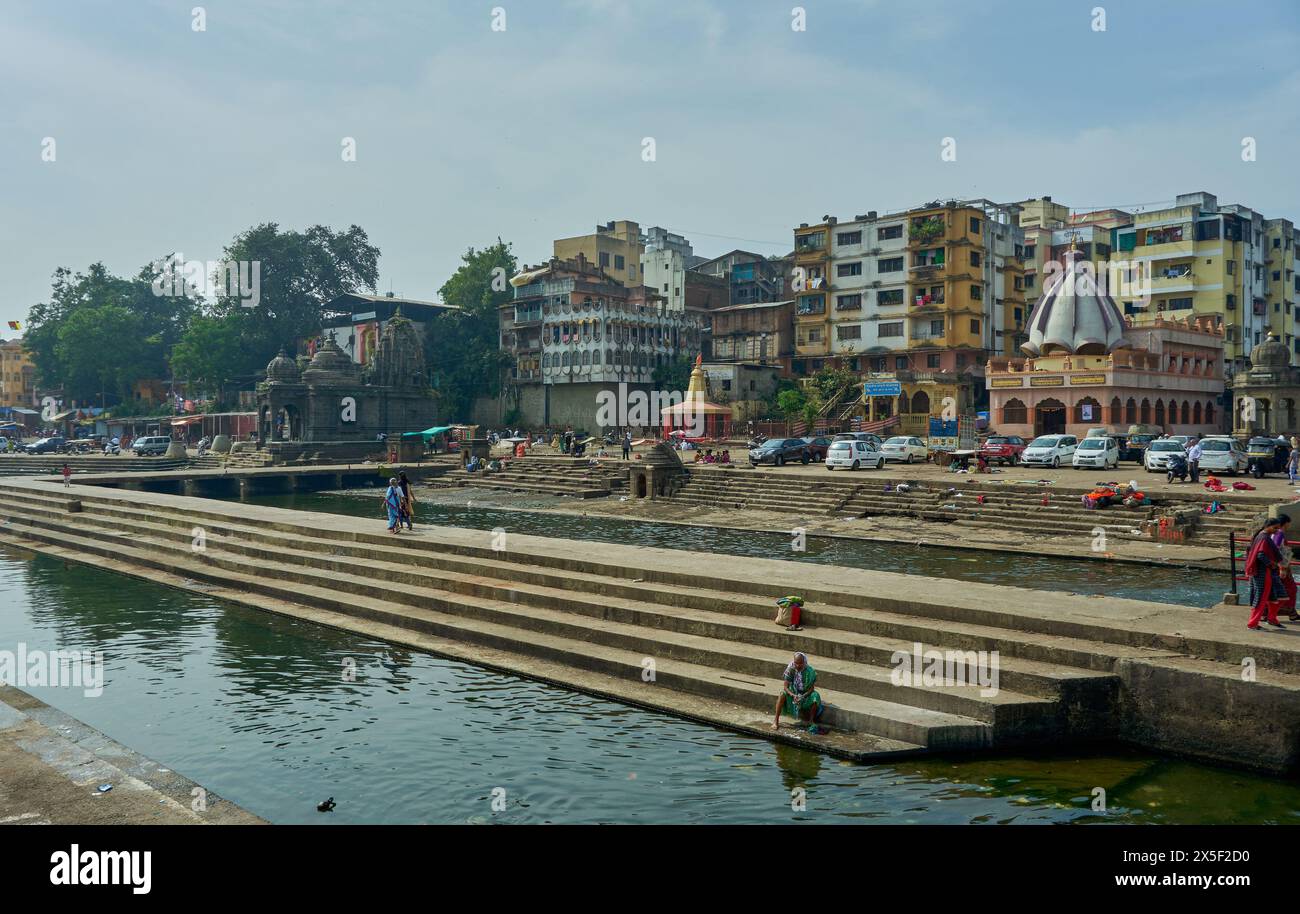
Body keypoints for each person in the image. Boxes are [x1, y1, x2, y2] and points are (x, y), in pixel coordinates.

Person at [1246, 517, 1287, 630]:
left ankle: (1271, 619)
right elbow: (1260, 555)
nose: (1276, 530)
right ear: (1268, 526)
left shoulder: (1262, 537)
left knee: (1280, 596)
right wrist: (1272, 564)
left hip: (1266, 572)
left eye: (1278, 528)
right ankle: (1252, 623)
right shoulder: (1264, 538)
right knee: (1260, 598)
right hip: (1263, 572)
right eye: (1275, 528)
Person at [772, 651, 825, 732]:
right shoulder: (790, 669)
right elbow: (785, 687)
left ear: (804, 662)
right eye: (796, 663)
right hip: (793, 692)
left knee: (815, 696)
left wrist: (803, 696)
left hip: (805, 694)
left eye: (800, 663)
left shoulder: (810, 671)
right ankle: (776, 720)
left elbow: (811, 689)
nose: (798, 665)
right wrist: (793, 695)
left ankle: (811, 720)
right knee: (782, 694)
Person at [1273, 514, 1299, 622]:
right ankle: (1288, 612)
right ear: (1285, 523)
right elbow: (1276, 550)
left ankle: (1290, 612)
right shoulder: (1280, 534)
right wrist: (1282, 568)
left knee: (1277, 589)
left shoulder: (1274, 533)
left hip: (1278, 566)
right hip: (1281, 567)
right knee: (1291, 589)